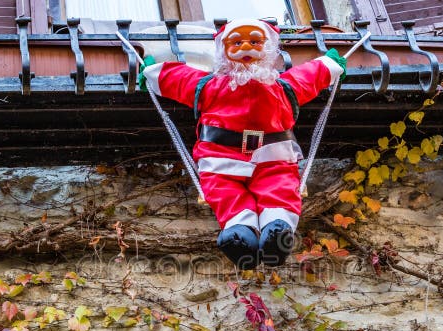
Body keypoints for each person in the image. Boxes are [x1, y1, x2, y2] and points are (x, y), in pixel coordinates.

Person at [140, 18, 346, 269]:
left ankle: (276, 231)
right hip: (221, 160)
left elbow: (309, 76)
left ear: (267, 48)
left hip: (272, 158)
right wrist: (153, 73)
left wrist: (330, 65)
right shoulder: (210, 86)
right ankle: (241, 235)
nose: (246, 47)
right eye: (236, 42)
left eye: (255, 41)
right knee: (225, 193)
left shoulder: (282, 87)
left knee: (279, 189)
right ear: (224, 51)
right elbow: (181, 79)